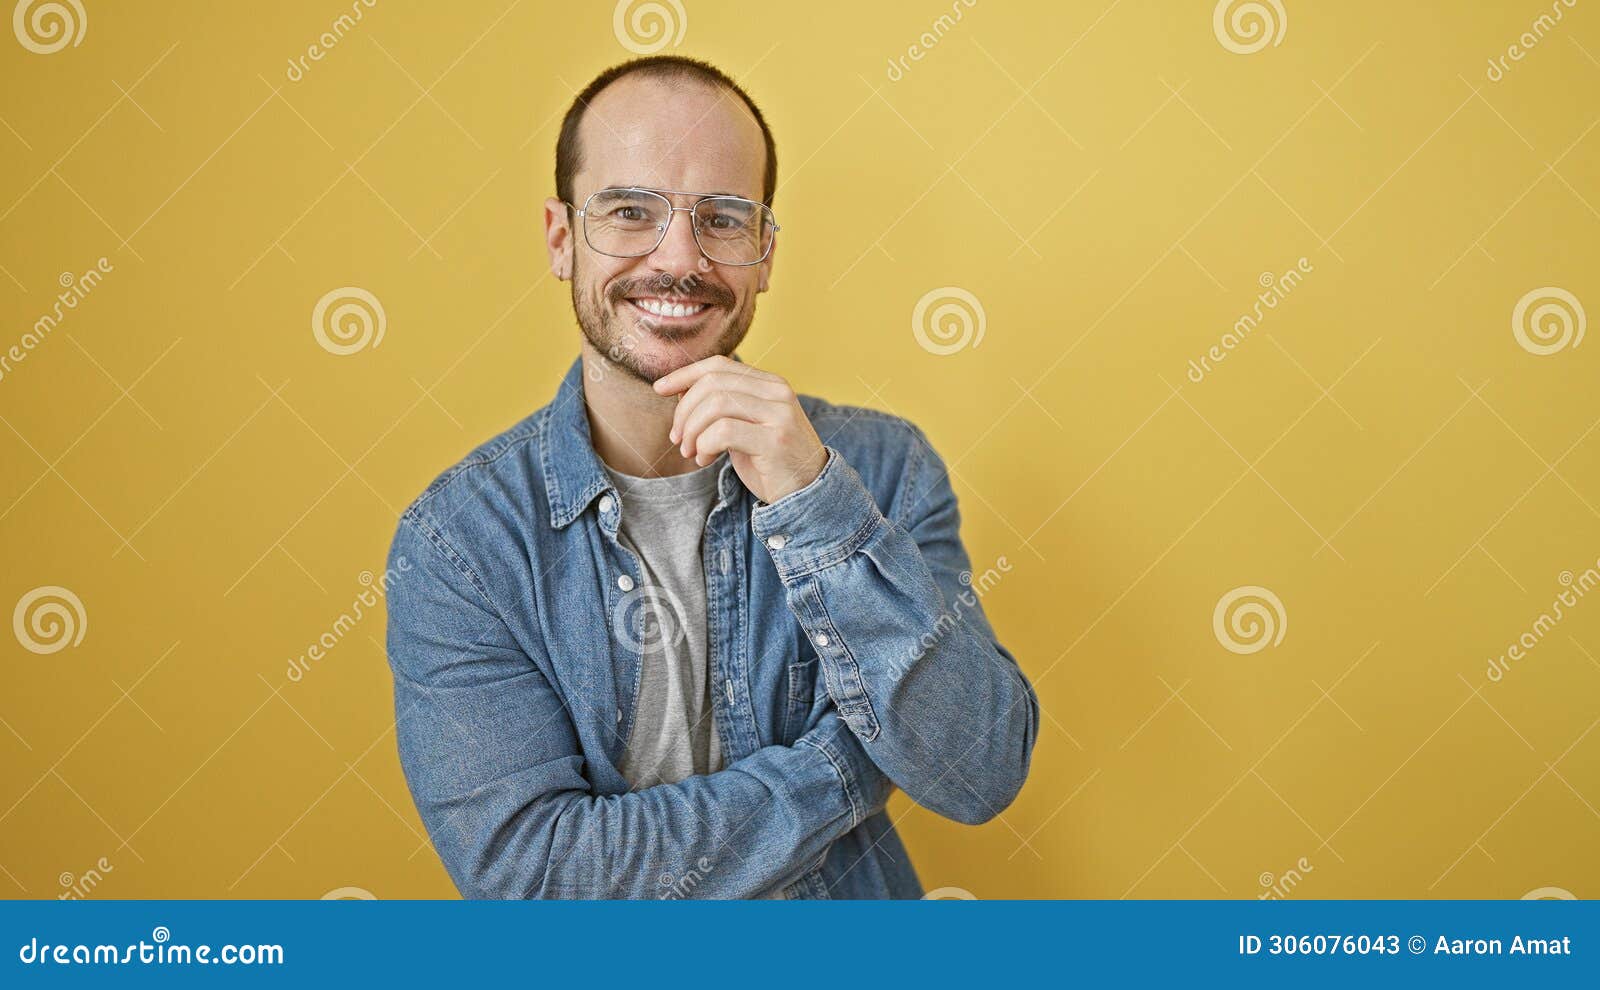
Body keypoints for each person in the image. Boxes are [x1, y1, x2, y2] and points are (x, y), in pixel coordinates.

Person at [384, 54, 1038, 899]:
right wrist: (845, 770)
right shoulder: (460, 543)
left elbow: (979, 771)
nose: (680, 259)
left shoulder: (882, 470)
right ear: (560, 238)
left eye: (724, 219)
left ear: (765, 251)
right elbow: (536, 878)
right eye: (628, 211)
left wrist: (817, 504)